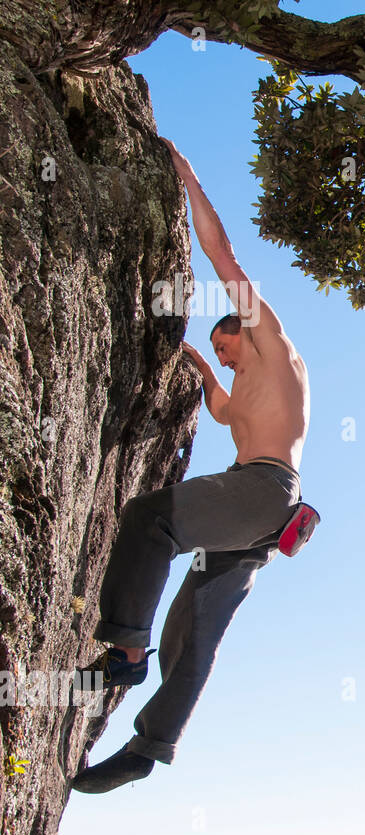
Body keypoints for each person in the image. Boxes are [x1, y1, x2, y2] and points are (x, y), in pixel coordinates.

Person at [71, 138, 311, 793]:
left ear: (245, 326)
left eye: (223, 343)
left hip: (262, 492)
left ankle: (122, 653)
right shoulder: (247, 393)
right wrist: (201, 367)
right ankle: (151, 747)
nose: (224, 354)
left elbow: (220, 252)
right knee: (192, 627)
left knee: (150, 520)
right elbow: (224, 409)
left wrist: (186, 177)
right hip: (265, 519)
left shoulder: (272, 342)